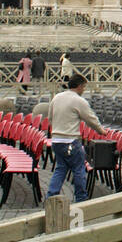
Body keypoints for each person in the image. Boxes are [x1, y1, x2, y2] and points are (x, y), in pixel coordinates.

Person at [47, 73, 105, 203]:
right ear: (79, 86)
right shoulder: (78, 100)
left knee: (60, 169)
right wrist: (101, 131)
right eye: (84, 87)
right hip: (70, 140)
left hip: (56, 140)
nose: (84, 90)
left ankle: (51, 196)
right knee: (78, 169)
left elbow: (50, 118)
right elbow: (90, 118)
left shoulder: (56, 97)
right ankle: (81, 198)